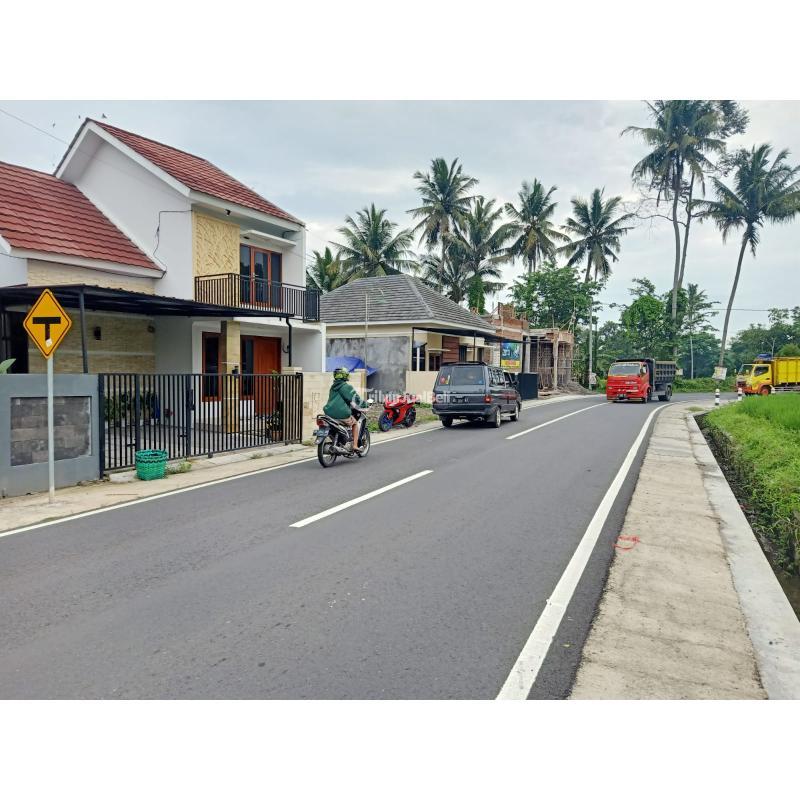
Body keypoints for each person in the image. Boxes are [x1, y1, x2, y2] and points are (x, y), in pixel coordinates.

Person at [323, 367, 367, 452]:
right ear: (345, 376)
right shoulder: (346, 387)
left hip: (328, 413)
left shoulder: (333, 387)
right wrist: (365, 404)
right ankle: (354, 445)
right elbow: (356, 399)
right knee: (354, 423)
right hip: (341, 414)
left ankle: (339, 440)